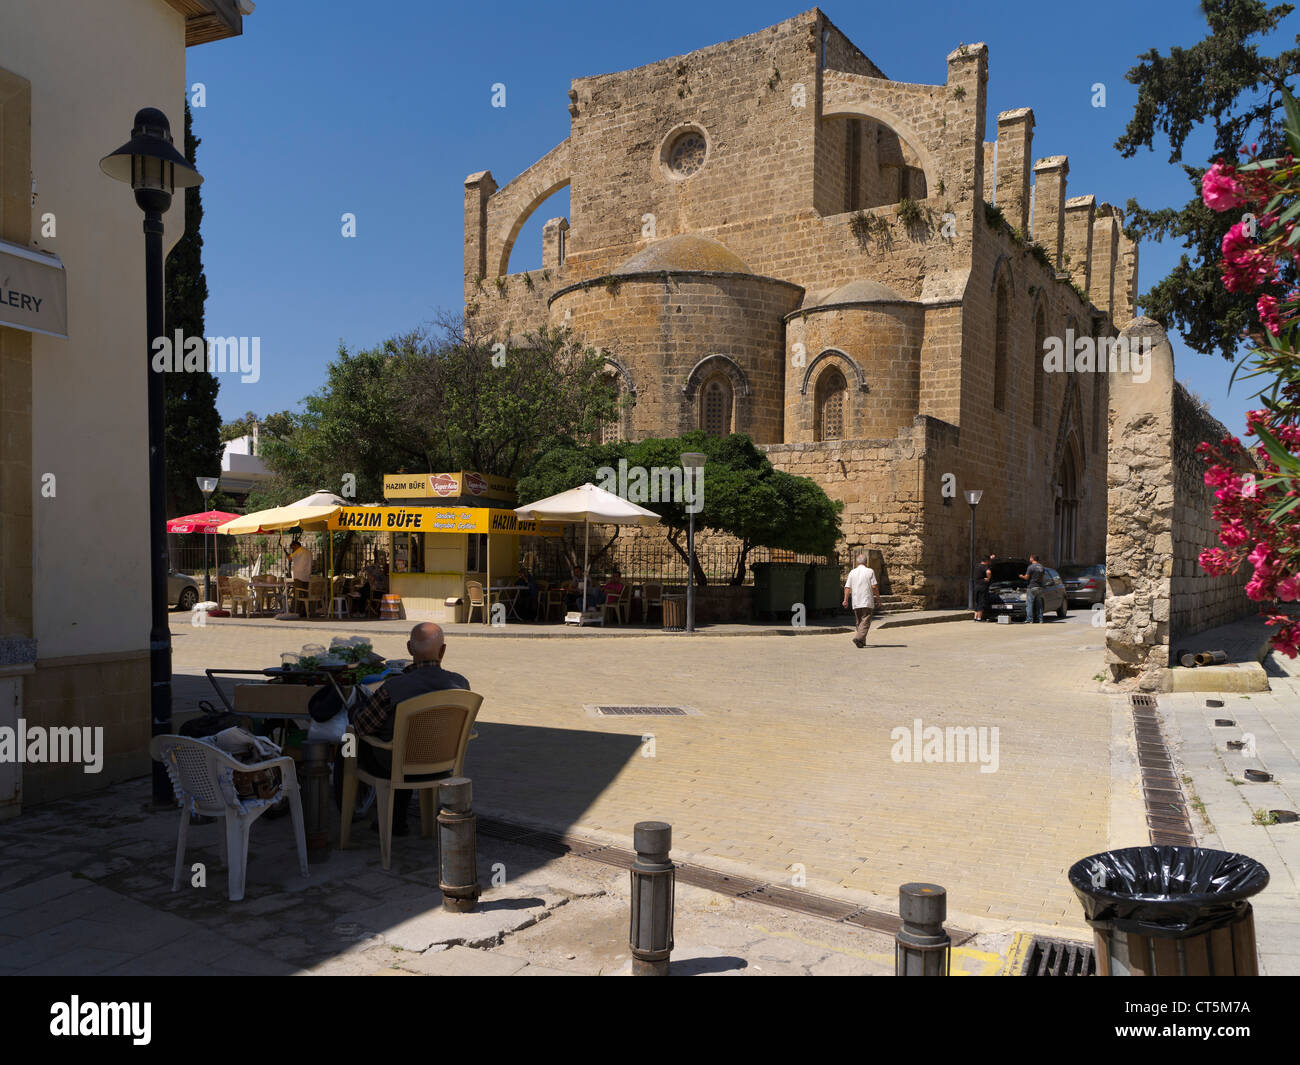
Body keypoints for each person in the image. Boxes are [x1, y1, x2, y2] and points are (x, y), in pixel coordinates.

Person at [349, 622, 470, 835]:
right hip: (442, 764)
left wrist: (356, 710)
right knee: (402, 741)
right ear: (443, 651)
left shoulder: (394, 688)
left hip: (396, 765)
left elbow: (361, 726)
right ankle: (397, 819)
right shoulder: (461, 684)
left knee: (351, 743)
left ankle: (349, 817)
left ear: (409, 649)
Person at [842, 552, 879, 648]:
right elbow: (874, 587)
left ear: (857, 562)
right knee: (865, 621)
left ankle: (861, 642)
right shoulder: (870, 571)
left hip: (856, 601)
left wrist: (845, 600)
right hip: (866, 600)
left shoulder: (852, 572)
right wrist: (878, 599)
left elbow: (847, 587)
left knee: (859, 622)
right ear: (866, 562)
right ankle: (858, 638)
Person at [285, 537, 313, 616]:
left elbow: (290, 559)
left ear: (296, 545)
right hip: (307, 576)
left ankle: (297, 611)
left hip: (299, 576)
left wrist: (288, 554)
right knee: (305, 595)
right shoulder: (308, 552)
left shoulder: (298, 551)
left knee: (298, 595)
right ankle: (305, 611)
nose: (292, 549)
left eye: (292, 547)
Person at [358, 550, 389, 614]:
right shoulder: (380, 576)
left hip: (377, 593)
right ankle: (362, 611)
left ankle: (361, 612)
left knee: (361, 594)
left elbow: (375, 588)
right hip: (377, 592)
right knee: (362, 592)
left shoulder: (379, 577)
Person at [1021, 553, 1046, 624]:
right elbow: (1043, 577)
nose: (1029, 559)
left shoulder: (1031, 567)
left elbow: (1026, 577)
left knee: (1029, 604)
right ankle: (1040, 619)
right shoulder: (1041, 567)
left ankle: (1030, 619)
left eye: (1030, 558)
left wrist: (1021, 576)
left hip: (1032, 587)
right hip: (1039, 587)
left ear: (1032, 558)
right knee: (1039, 604)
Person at [972, 552, 992, 621]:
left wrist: (990, 558)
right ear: (986, 561)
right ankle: (979, 618)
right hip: (982, 587)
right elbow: (989, 572)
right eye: (989, 561)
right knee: (981, 602)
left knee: (977, 602)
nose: (989, 562)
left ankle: (975, 617)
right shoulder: (985, 567)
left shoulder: (977, 565)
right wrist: (988, 578)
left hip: (976, 586)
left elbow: (986, 560)